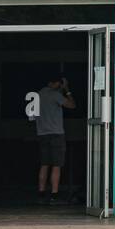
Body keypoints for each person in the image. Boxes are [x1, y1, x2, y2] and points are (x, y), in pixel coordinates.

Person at [33, 76, 76, 205]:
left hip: (41, 133)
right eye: (59, 83)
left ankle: (41, 194)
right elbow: (72, 105)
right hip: (56, 134)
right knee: (56, 165)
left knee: (44, 164)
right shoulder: (55, 96)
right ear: (53, 82)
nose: (59, 85)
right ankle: (54, 195)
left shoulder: (39, 94)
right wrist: (67, 90)